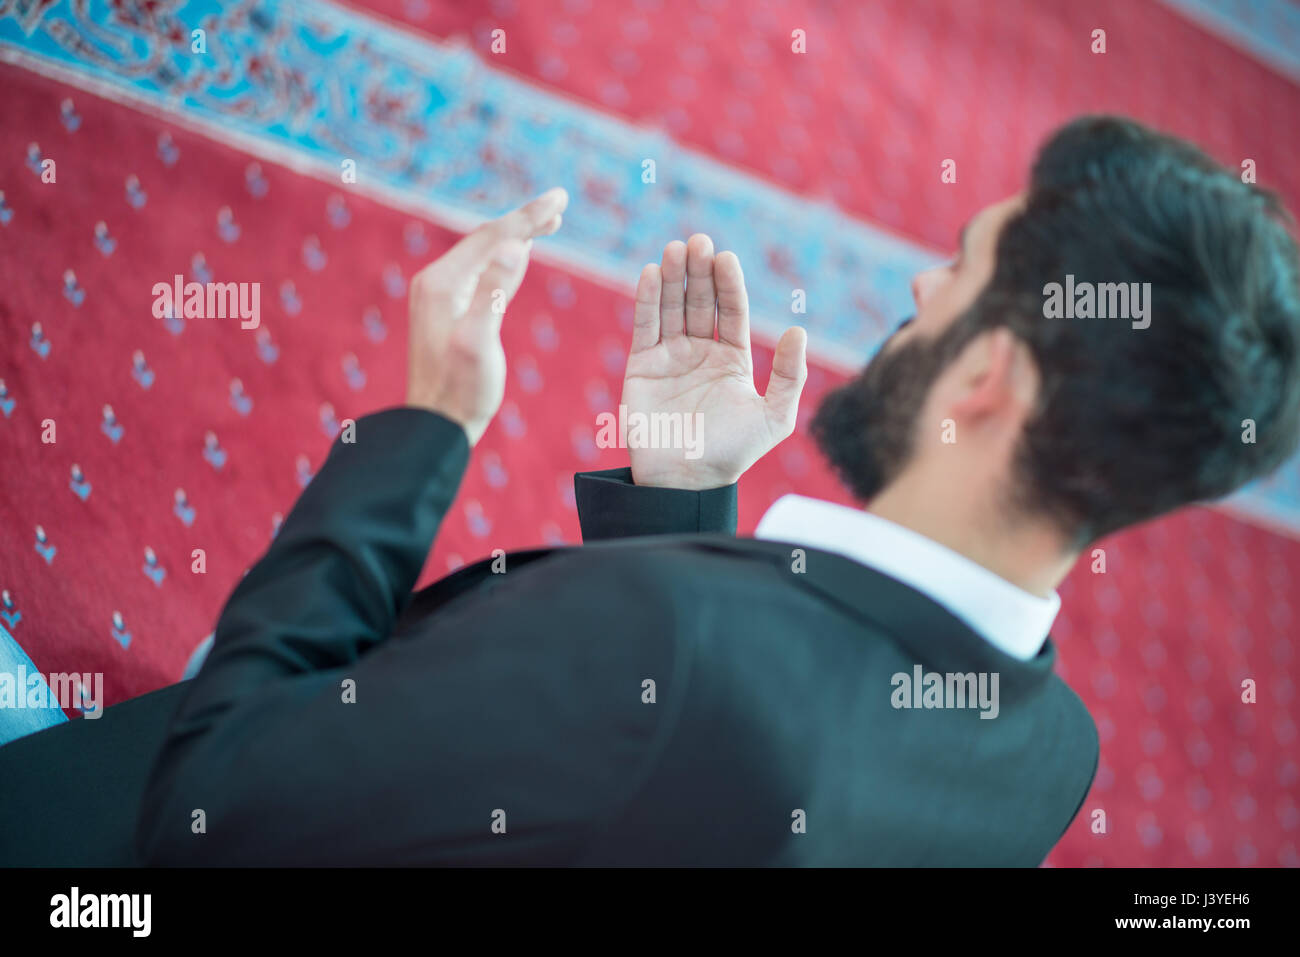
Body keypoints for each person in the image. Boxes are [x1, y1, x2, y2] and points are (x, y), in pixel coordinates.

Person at [3, 115, 1297, 867]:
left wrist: (423, 429)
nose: (917, 292)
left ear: (988, 381)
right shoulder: (1050, 750)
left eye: (959, 271)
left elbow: (202, 809)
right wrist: (683, 495)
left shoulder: (669, 647)